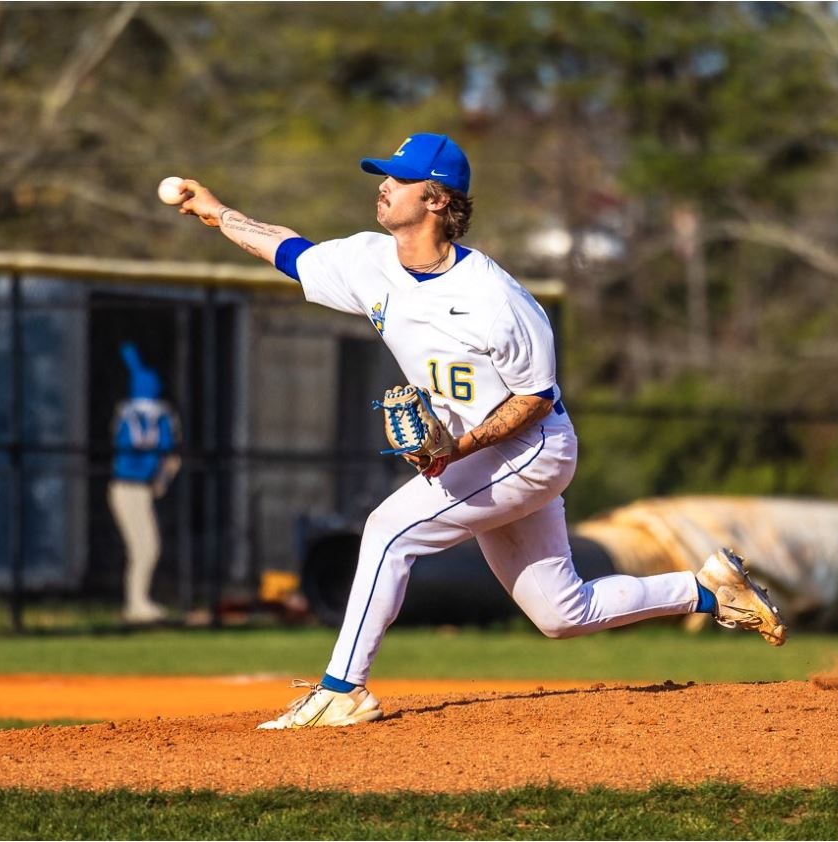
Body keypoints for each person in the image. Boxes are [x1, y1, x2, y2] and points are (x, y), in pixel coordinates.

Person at [174, 132, 786, 729]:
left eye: (398, 179)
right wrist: (216, 212)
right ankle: (708, 591)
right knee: (560, 612)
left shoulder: (495, 298)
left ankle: (342, 690)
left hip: (534, 450)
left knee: (389, 531)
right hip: (481, 454)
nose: (383, 187)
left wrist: (455, 448)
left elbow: (536, 399)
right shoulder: (369, 262)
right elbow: (290, 250)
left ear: (437, 199)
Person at [108, 342, 182, 624]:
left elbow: (168, 455)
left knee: (148, 547)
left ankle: (138, 603)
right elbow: (159, 449)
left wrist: (161, 477)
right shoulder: (136, 416)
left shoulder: (147, 415)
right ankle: (135, 604)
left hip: (139, 490)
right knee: (144, 548)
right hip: (125, 488)